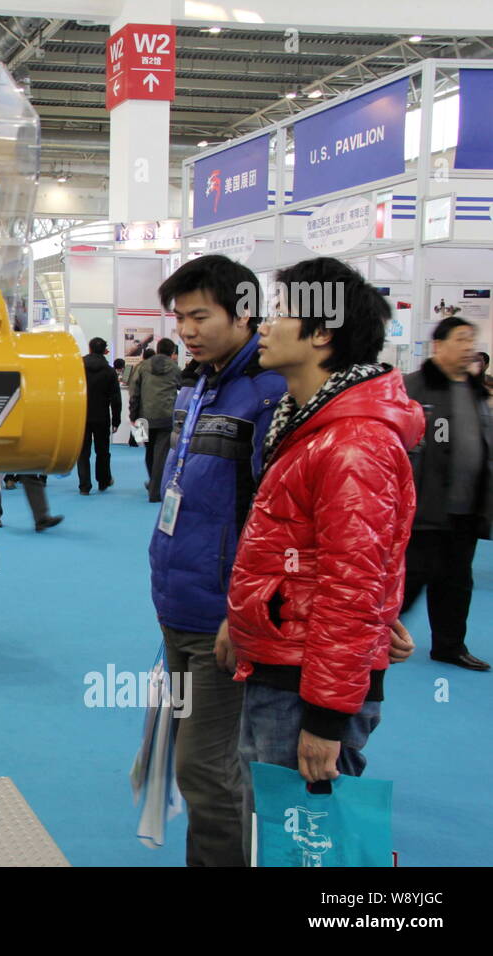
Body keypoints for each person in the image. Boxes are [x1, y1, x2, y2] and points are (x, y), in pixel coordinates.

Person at [227, 258, 423, 863]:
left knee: (312, 845)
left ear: (323, 334)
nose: (263, 323)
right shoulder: (311, 425)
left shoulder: (352, 442)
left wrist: (326, 717)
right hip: (286, 665)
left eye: (281, 310)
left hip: (305, 687)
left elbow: (351, 583)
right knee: (283, 838)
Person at [148, 254, 286, 867]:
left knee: (205, 767)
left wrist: (242, 609)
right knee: (191, 759)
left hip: (224, 620)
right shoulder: (199, 380)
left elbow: (272, 518)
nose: (188, 329)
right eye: (180, 318)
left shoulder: (270, 391)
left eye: (200, 316)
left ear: (243, 312)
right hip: (177, 602)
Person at [400, 316, 493, 671]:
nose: (468, 346)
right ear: (438, 345)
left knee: (457, 582)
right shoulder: (412, 387)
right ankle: (372, 637)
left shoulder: (475, 390)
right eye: (460, 339)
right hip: (423, 509)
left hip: (465, 510)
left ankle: (449, 646)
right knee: (410, 579)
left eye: (471, 339)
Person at [129, 338, 182, 503]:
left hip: (144, 417)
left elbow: (134, 391)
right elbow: (182, 387)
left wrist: (133, 414)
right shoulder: (175, 368)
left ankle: (153, 482)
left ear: (158, 349)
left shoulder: (142, 366)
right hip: (166, 417)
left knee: (149, 451)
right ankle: (155, 489)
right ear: (172, 351)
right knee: (161, 454)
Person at [77, 337, 121, 494]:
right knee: (102, 451)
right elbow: (115, 398)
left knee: (83, 452)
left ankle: (84, 486)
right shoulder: (109, 371)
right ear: (104, 351)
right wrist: (116, 419)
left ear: (89, 349)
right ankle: (103, 481)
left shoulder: (78, 368)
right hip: (102, 416)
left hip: (81, 416)